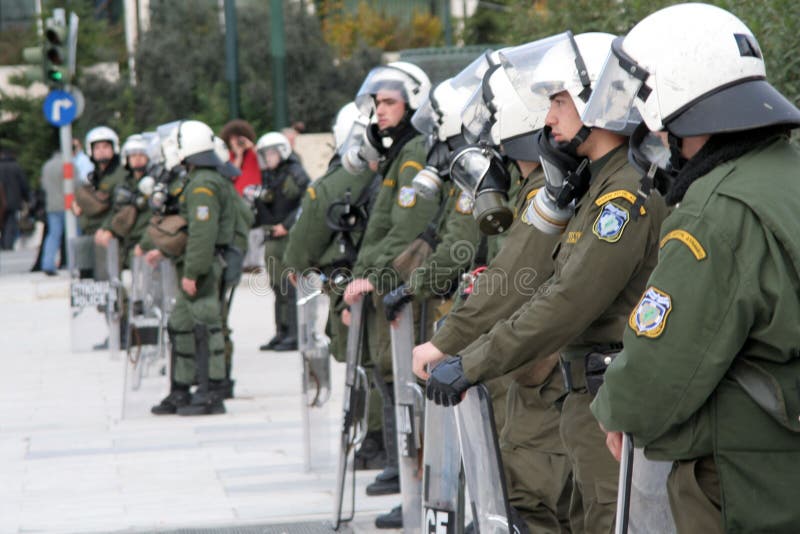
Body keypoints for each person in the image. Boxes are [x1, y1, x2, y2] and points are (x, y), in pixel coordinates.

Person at [416, 32, 670, 534]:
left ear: (598, 98)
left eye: (559, 101)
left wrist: (468, 361)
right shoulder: (594, 185)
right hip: (585, 403)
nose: (548, 117)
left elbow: (567, 301)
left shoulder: (621, 196)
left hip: (607, 402)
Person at [583, 4, 800, 533]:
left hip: (747, 481)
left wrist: (617, 411)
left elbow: (659, 370)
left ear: (676, 100)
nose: (649, 131)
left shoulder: (714, 212)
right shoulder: (785, 174)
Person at [341, 61, 437, 505]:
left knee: (402, 378)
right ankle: (404, 468)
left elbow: (407, 229)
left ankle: (413, 475)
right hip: (383, 283)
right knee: (387, 371)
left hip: (400, 285)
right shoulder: (399, 153)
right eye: (377, 103)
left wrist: (372, 278)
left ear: (412, 104)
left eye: (390, 102)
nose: (380, 110)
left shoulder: (414, 151)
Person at [147, 120, 236, 416]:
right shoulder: (199, 179)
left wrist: (192, 272)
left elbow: (202, 234)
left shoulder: (203, 184)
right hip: (196, 262)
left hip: (203, 266)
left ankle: (212, 391)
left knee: (205, 325)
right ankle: (181, 389)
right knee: (181, 325)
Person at [252, 131, 310, 352]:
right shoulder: (271, 175)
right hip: (272, 237)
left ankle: (294, 334)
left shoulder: (295, 173)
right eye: (265, 154)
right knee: (277, 286)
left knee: (289, 286)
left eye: (271, 153)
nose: (267, 158)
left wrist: (286, 225)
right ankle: (281, 331)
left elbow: (305, 203)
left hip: (288, 238)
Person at [72, 126, 126, 236]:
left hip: (108, 233)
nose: (101, 151)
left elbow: (119, 207)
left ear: (114, 148)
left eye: (105, 146)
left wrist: (108, 229)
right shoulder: (94, 176)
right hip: (91, 231)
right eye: (97, 148)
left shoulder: (121, 174)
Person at [40, 149, 65, 275]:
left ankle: (48, 263)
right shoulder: (68, 164)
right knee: (74, 235)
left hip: (52, 206)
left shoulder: (47, 166)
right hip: (68, 205)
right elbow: (76, 184)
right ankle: (76, 263)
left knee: (53, 235)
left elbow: (43, 185)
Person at [0, 146, 31, 250]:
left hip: (1, 201)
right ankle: (7, 244)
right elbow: (23, 184)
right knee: (11, 222)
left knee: (2, 221)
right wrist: (27, 197)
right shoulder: (16, 167)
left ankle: (3, 243)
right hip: (13, 199)